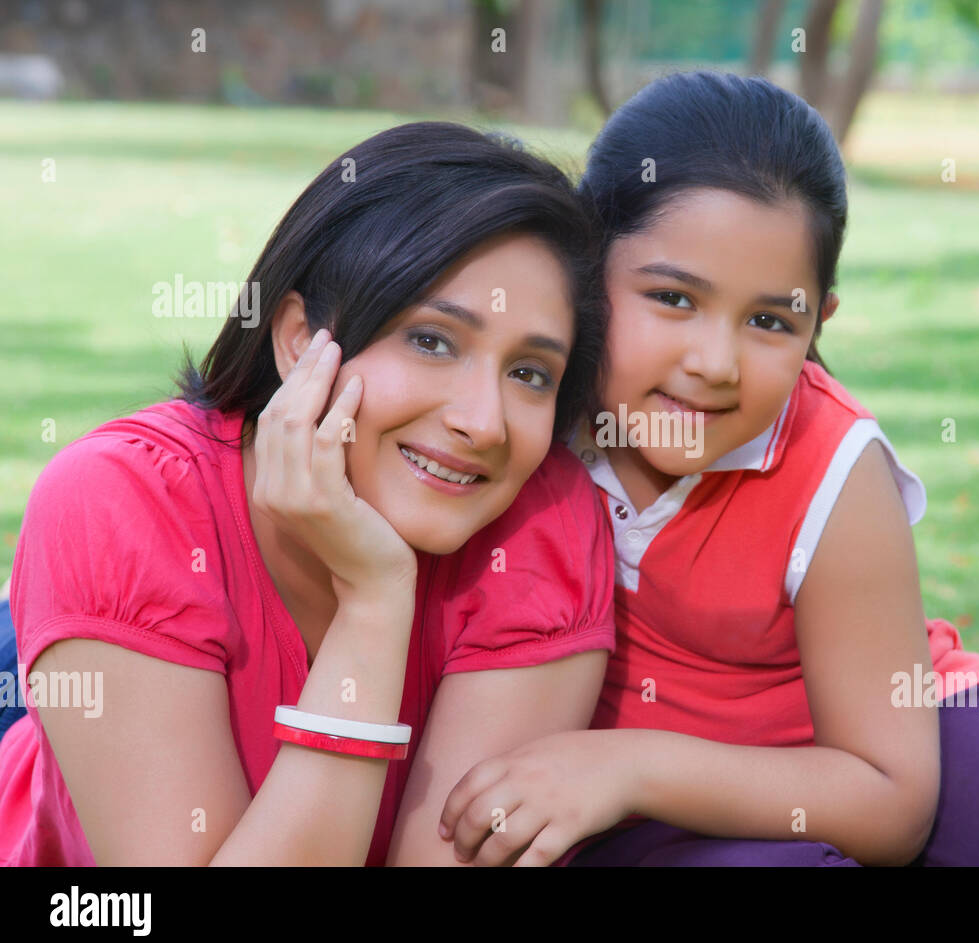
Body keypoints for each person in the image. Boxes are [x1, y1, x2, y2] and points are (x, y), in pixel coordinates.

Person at [433, 71, 979, 867]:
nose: (715, 361)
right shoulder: (523, 410)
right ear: (586, 273)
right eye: (673, 298)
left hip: (898, 750)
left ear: (820, 323)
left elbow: (890, 798)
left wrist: (624, 765)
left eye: (770, 321)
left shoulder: (831, 466)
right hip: (672, 801)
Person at [0, 121, 616, 866]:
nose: (483, 423)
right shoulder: (119, 503)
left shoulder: (541, 523)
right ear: (298, 339)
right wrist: (376, 601)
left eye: (529, 374)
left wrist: (372, 597)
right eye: (432, 340)